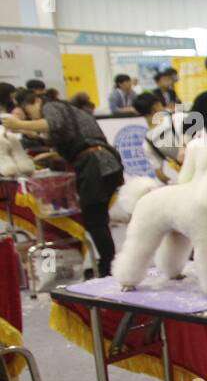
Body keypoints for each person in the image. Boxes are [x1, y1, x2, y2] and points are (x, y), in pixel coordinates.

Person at [3, 89, 123, 277]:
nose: (31, 115)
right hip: (96, 162)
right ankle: (108, 263)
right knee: (96, 220)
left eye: (29, 111)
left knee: (95, 221)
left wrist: (19, 123)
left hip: (97, 163)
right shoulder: (64, 109)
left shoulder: (52, 106)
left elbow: (53, 124)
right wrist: (51, 154)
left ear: (35, 101)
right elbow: (70, 137)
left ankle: (110, 267)